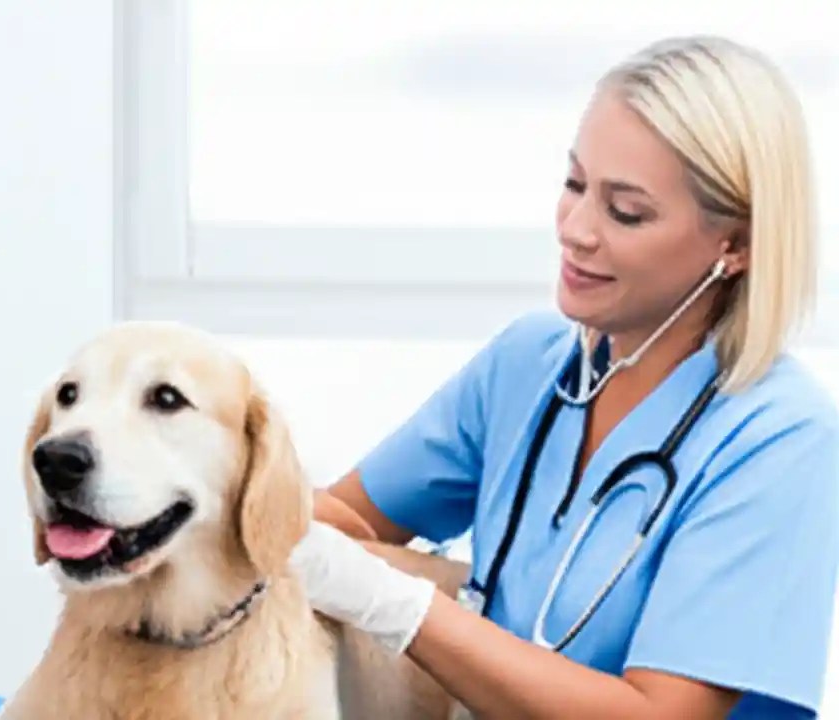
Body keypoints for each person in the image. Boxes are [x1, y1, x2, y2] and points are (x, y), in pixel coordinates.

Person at [294, 34, 839, 720]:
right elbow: (340, 524)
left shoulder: (782, 440)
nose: (576, 229)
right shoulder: (528, 366)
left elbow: (660, 715)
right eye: (575, 184)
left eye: (626, 212)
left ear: (736, 244)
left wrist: (403, 605)